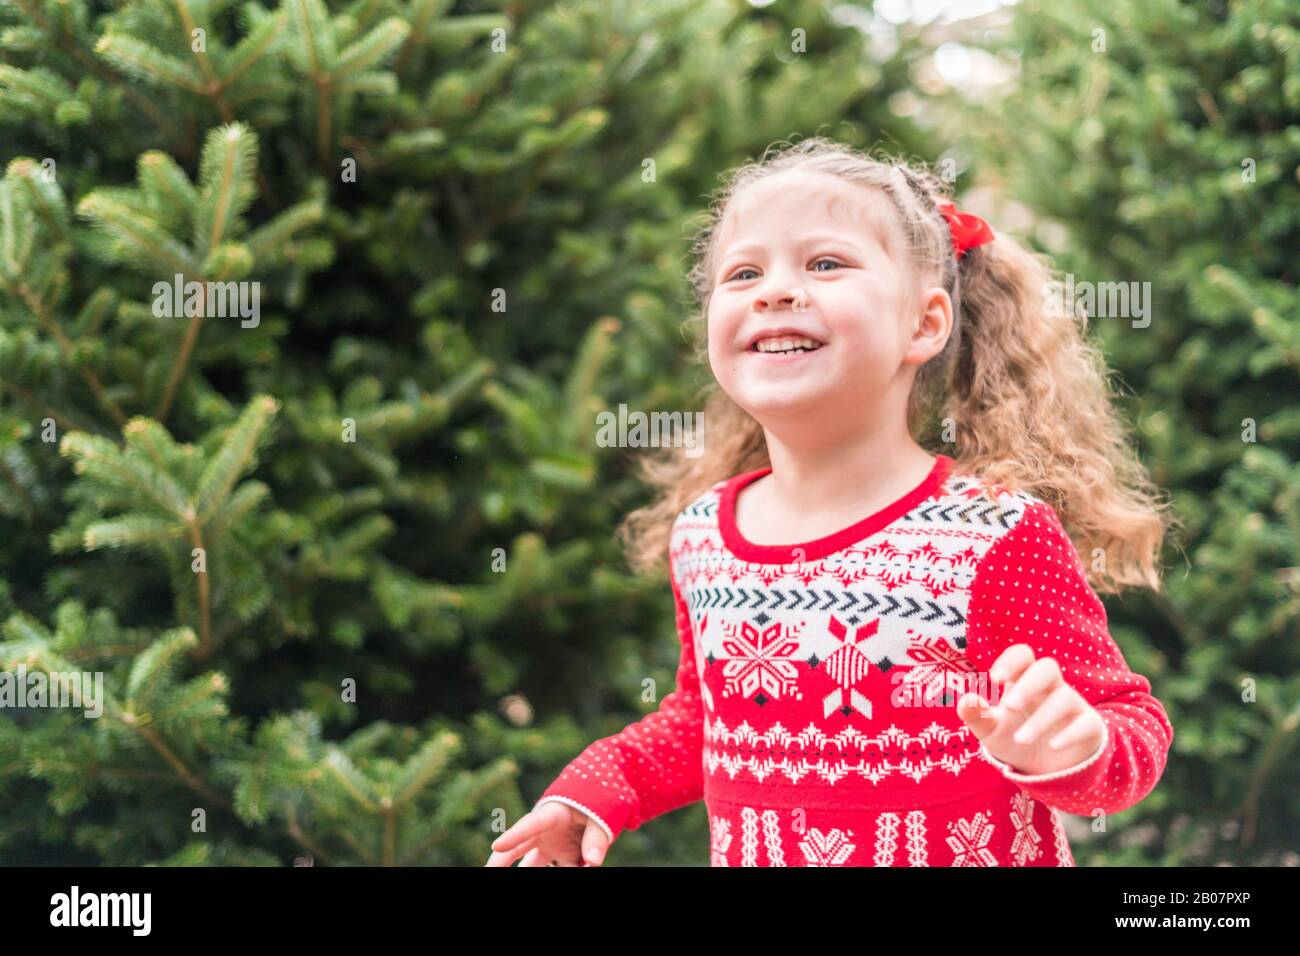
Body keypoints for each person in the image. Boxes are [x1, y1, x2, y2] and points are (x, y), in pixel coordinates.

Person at [485, 136, 1178, 867]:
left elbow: (1128, 723)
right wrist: (594, 790)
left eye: (825, 264)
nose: (774, 291)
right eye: (744, 272)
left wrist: (1073, 748)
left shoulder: (990, 536)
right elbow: (703, 720)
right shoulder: (705, 536)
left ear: (924, 324)